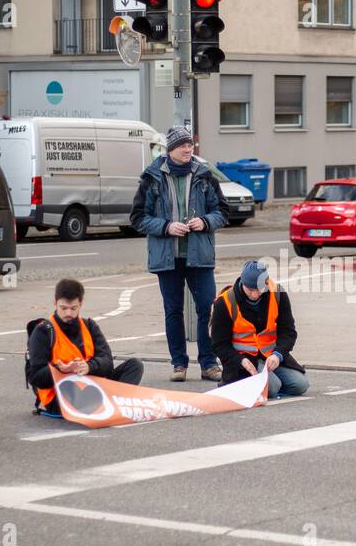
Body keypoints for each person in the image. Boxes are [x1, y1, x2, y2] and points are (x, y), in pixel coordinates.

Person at [131, 125, 227, 382]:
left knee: (208, 307)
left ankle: (208, 363)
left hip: (200, 256)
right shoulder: (152, 178)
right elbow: (138, 218)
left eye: (190, 145)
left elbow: (222, 212)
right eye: (183, 145)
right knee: (173, 310)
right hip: (167, 257)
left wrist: (205, 222)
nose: (188, 149)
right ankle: (179, 364)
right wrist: (166, 226)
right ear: (170, 149)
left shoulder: (205, 176)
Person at [27, 278, 144, 416]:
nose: (68, 313)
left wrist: (88, 366)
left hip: (93, 385)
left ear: (80, 304)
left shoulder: (89, 325)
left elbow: (107, 362)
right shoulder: (43, 331)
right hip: (61, 395)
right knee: (88, 395)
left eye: (73, 308)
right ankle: (114, 402)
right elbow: (35, 378)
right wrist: (61, 370)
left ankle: (112, 403)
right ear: (55, 303)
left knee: (135, 365)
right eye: (63, 308)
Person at [210, 260, 309, 398]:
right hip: (242, 360)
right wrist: (240, 361)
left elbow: (288, 332)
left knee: (300, 384)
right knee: (273, 388)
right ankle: (239, 383)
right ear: (242, 283)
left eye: (259, 289)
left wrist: (278, 354)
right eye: (250, 290)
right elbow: (219, 344)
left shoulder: (278, 294)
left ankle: (259, 385)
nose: (255, 294)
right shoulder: (224, 302)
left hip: (270, 356)